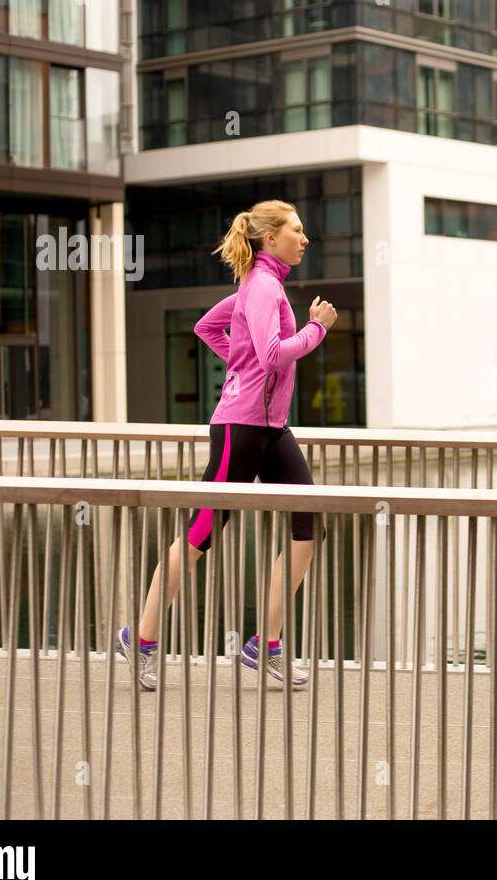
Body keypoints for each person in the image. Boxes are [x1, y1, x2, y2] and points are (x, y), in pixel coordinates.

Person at [117, 199, 338, 690]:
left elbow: (208, 329)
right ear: (269, 237)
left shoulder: (263, 286)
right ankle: (142, 639)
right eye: (297, 231)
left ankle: (267, 645)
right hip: (240, 429)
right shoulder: (261, 287)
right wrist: (316, 328)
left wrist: (241, 366)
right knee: (199, 537)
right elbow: (274, 355)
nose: (305, 239)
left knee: (308, 528)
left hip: (271, 429)